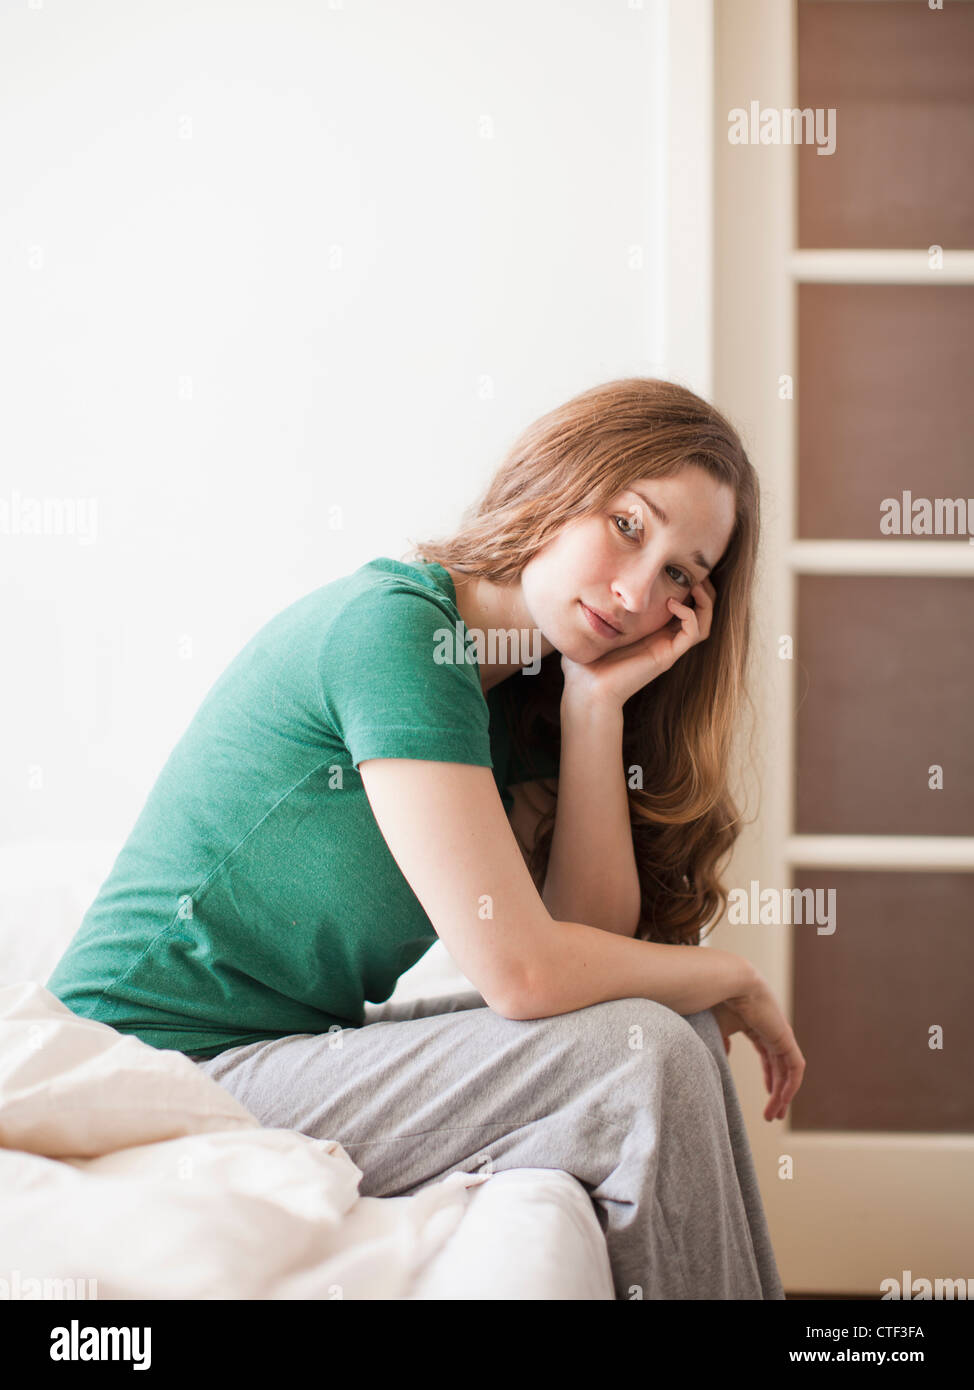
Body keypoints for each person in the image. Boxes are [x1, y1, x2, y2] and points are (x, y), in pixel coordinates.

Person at [46, 376, 804, 1300]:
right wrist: (734, 973)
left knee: (660, 1028)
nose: (639, 589)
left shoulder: (513, 696)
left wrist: (594, 704)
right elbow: (527, 977)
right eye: (631, 526)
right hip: (151, 1065)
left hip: (281, 1051)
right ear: (560, 482)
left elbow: (587, 949)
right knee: (642, 1054)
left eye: (684, 576)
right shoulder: (396, 636)